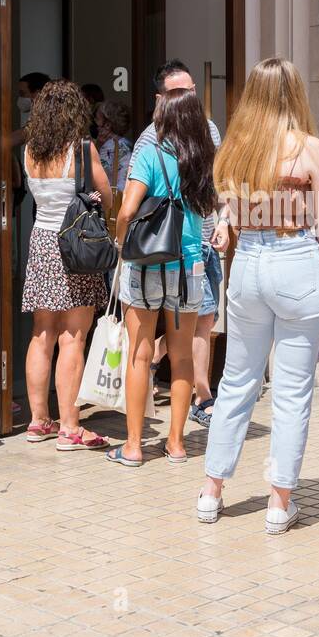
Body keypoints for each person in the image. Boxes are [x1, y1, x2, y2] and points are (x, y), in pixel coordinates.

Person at [196, 58, 319, 534]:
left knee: (237, 382)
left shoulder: (236, 149)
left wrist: (228, 228)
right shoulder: (309, 148)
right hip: (296, 256)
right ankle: (279, 503)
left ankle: (211, 493)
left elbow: (229, 214)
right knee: (293, 391)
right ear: (294, 94)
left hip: (248, 267)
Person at [106, 81, 218, 468]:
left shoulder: (150, 153)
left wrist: (120, 242)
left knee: (140, 355)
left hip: (147, 264)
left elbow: (126, 210)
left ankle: (134, 447)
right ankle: (177, 443)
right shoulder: (203, 157)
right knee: (183, 357)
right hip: (190, 265)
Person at [125, 60, 225, 427]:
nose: (188, 100)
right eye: (179, 93)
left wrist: (225, 222)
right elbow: (134, 197)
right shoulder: (150, 140)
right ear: (161, 99)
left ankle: (147, 436)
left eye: (192, 92)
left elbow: (219, 184)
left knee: (201, 323)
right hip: (163, 254)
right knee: (187, 331)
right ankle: (201, 399)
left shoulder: (209, 131)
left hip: (202, 247)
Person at [20, 79, 113, 450]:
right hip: (75, 244)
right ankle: (71, 427)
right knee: (73, 335)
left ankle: (38, 419)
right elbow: (105, 195)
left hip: (41, 241)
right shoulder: (81, 149)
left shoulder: (29, 150)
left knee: (41, 332)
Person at [94, 98, 133, 191]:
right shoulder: (105, 145)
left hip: (111, 201)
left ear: (107, 124)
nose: (95, 122)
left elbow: (123, 182)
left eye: (97, 119)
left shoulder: (120, 147)